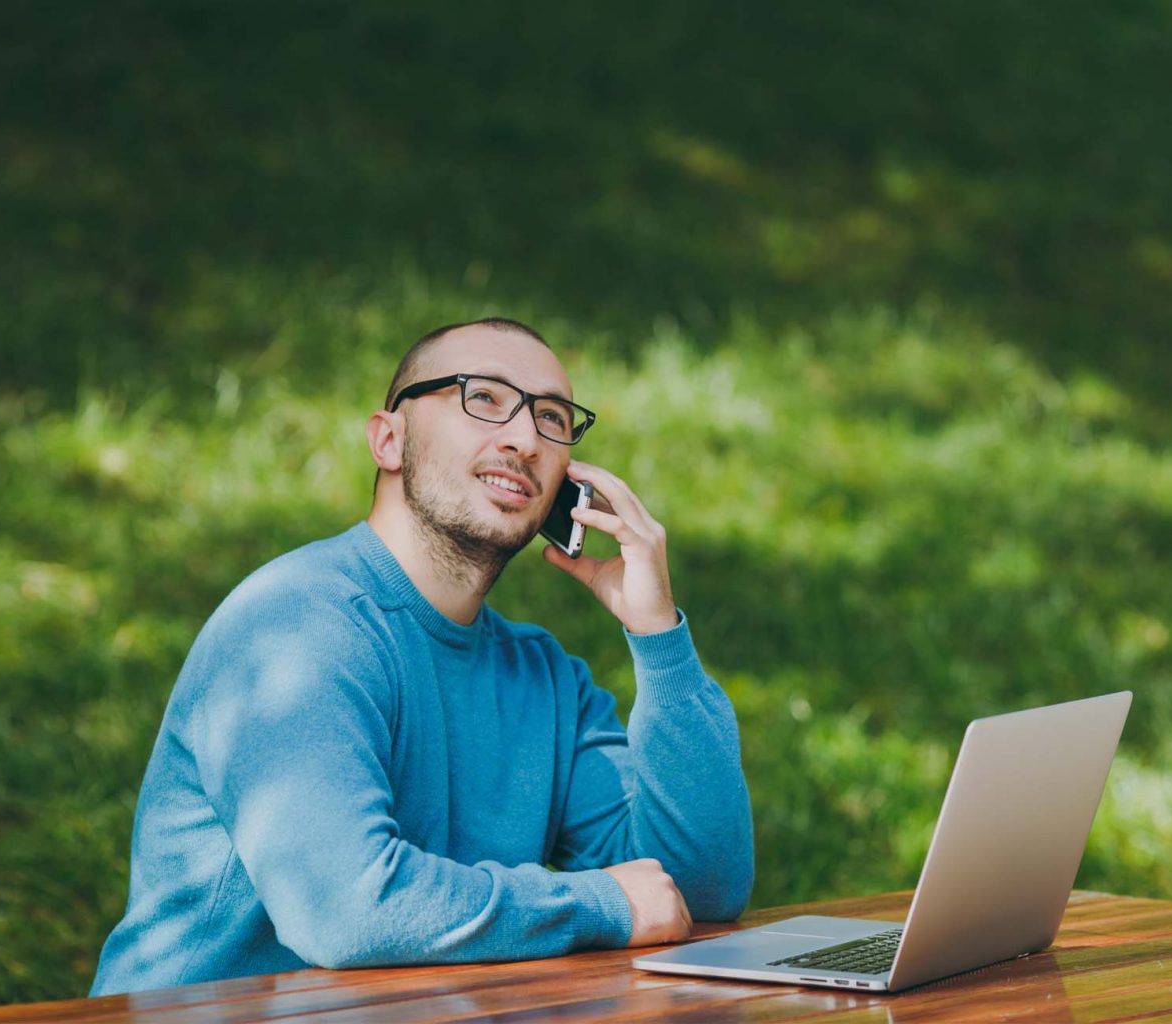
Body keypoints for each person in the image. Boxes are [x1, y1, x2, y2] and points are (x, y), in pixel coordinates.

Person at [89, 318, 754, 995]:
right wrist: (601, 903)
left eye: (550, 418)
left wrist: (658, 636)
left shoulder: (545, 680)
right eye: (484, 398)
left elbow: (698, 887)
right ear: (389, 440)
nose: (524, 439)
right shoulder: (296, 626)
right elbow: (345, 908)